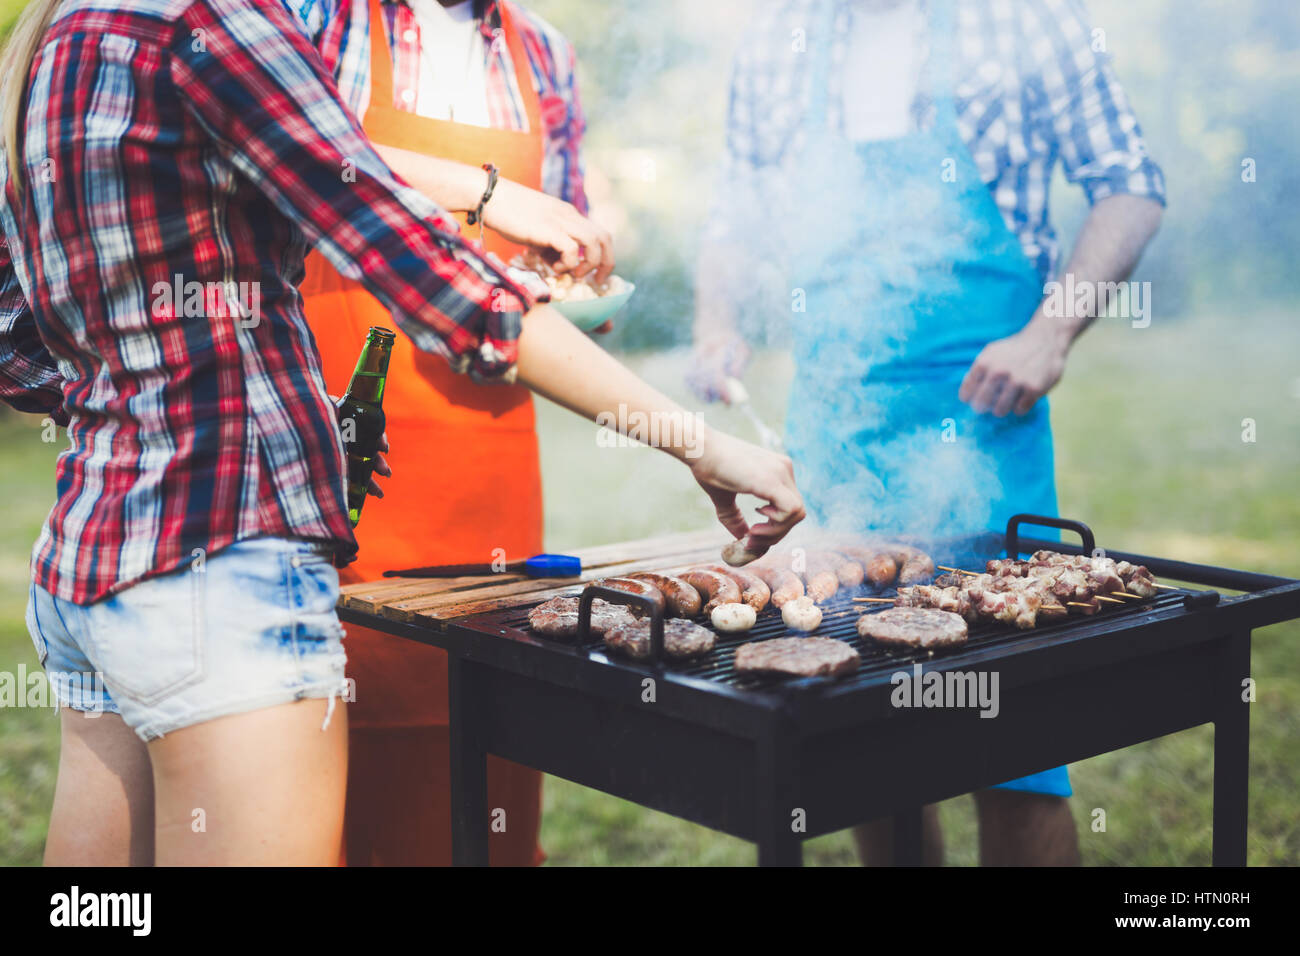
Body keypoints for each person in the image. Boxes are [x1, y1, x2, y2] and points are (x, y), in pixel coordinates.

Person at [0, 0, 803, 866]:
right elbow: (451, 290)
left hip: (93, 549)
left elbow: (19, 337)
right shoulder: (215, 18)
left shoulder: (62, 30)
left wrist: (139, 394)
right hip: (222, 563)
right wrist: (705, 445)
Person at [691, 0, 1164, 866]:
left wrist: (1049, 332)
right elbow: (736, 208)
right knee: (871, 739)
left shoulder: (1028, 18)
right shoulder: (776, 40)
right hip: (834, 432)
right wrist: (716, 322)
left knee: (1017, 749)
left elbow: (1129, 183)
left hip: (984, 426)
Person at [287, 0, 607, 868]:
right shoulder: (322, 13)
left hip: (488, 434)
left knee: (484, 702)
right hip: (343, 430)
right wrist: (490, 195)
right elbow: (300, 155)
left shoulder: (544, 51)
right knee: (348, 699)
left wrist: (567, 269)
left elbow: (550, 229)